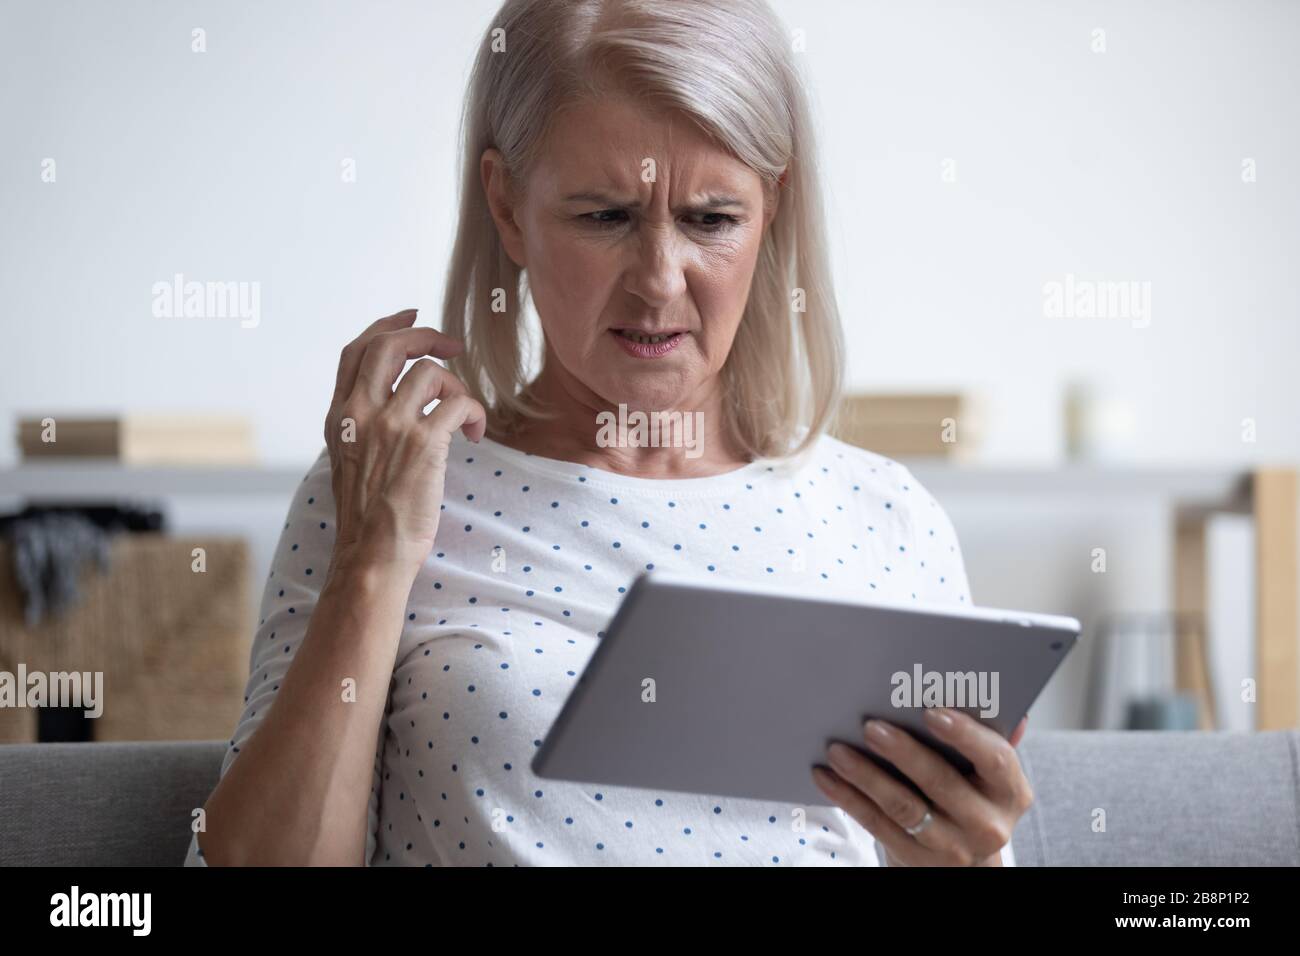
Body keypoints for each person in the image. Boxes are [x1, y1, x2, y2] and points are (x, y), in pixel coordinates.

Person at [187, 0, 1031, 866]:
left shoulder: (886, 517)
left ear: (771, 208)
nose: (660, 283)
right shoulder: (384, 489)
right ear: (507, 207)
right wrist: (371, 566)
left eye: (712, 219)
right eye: (605, 217)